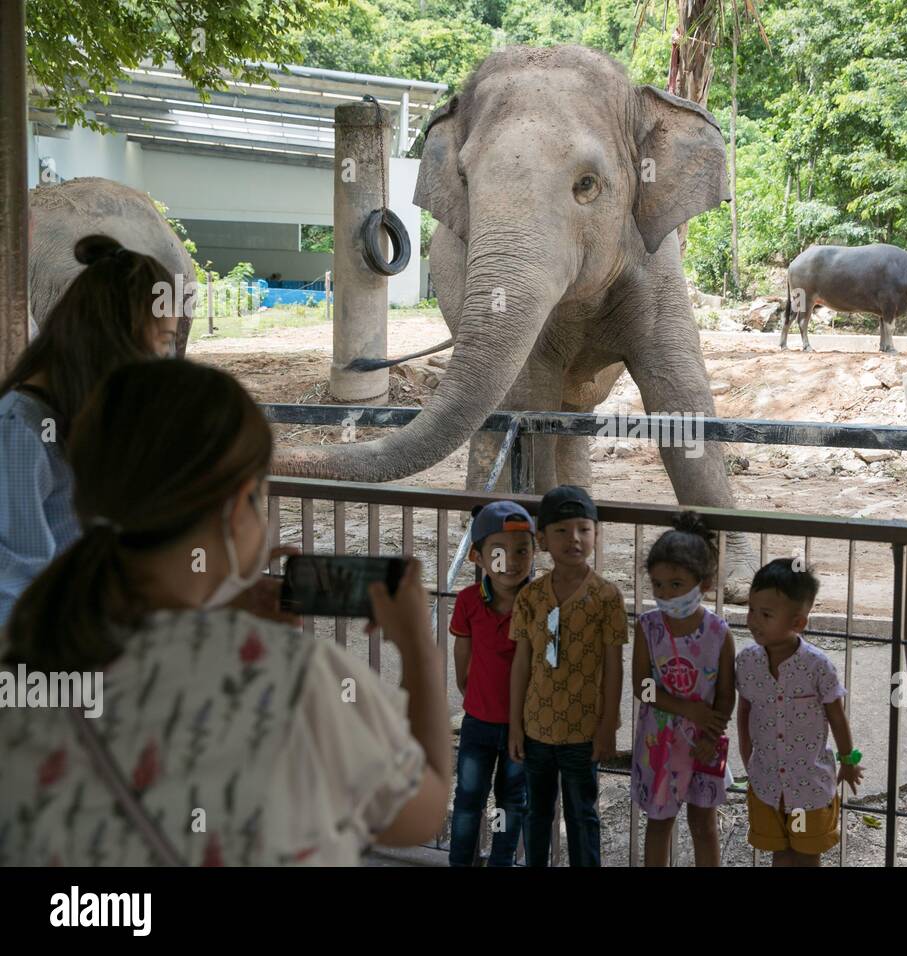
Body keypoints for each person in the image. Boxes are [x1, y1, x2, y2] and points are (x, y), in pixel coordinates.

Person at [0, 360, 451, 866]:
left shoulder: (25, 651)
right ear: (239, 507)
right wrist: (418, 649)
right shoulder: (300, 679)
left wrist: (223, 623)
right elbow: (421, 813)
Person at [0, 234, 181, 631]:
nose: (164, 362)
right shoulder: (20, 431)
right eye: (163, 342)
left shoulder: (70, 417)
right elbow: (14, 588)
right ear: (117, 336)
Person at [507, 485, 626, 867]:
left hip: (583, 730)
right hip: (535, 727)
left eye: (583, 529)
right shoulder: (530, 598)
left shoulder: (607, 597)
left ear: (595, 534)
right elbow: (521, 663)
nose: (573, 539)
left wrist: (608, 724)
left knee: (582, 814)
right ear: (542, 540)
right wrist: (514, 725)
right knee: (535, 813)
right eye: (561, 531)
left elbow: (614, 665)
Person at [737, 558, 864, 867]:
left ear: (797, 623)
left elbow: (836, 716)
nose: (754, 620)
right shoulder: (747, 662)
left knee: (806, 856)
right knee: (780, 854)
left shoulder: (818, 666)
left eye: (766, 614)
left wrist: (848, 761)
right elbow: (744, 711)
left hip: (809, 786)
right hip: (767, 783)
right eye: (752, 609)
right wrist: (747, 758)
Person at [630, 511, 735, 866]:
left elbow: (725, 694)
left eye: (675, 584)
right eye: (657, 584)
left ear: (703, 583)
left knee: (703, 823)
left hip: (705, 744)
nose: (664, 593)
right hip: (657, 744)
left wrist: (712, 732)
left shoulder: (719, 633)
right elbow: (641, 688)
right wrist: (688, 709)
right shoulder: (647, 627)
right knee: (659, 825)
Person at [448, 500, 535, 867]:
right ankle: (460, 861)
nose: (511, 561)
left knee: (511, 803)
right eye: (497, 552)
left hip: (524, 727)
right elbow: (461, 654)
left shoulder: (541, 604)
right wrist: (470, 691)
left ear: (535, 551)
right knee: (468, 797)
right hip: (478, 723)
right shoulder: (468, 601)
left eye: (522, 550)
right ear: (476, 557)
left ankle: (500, 861)